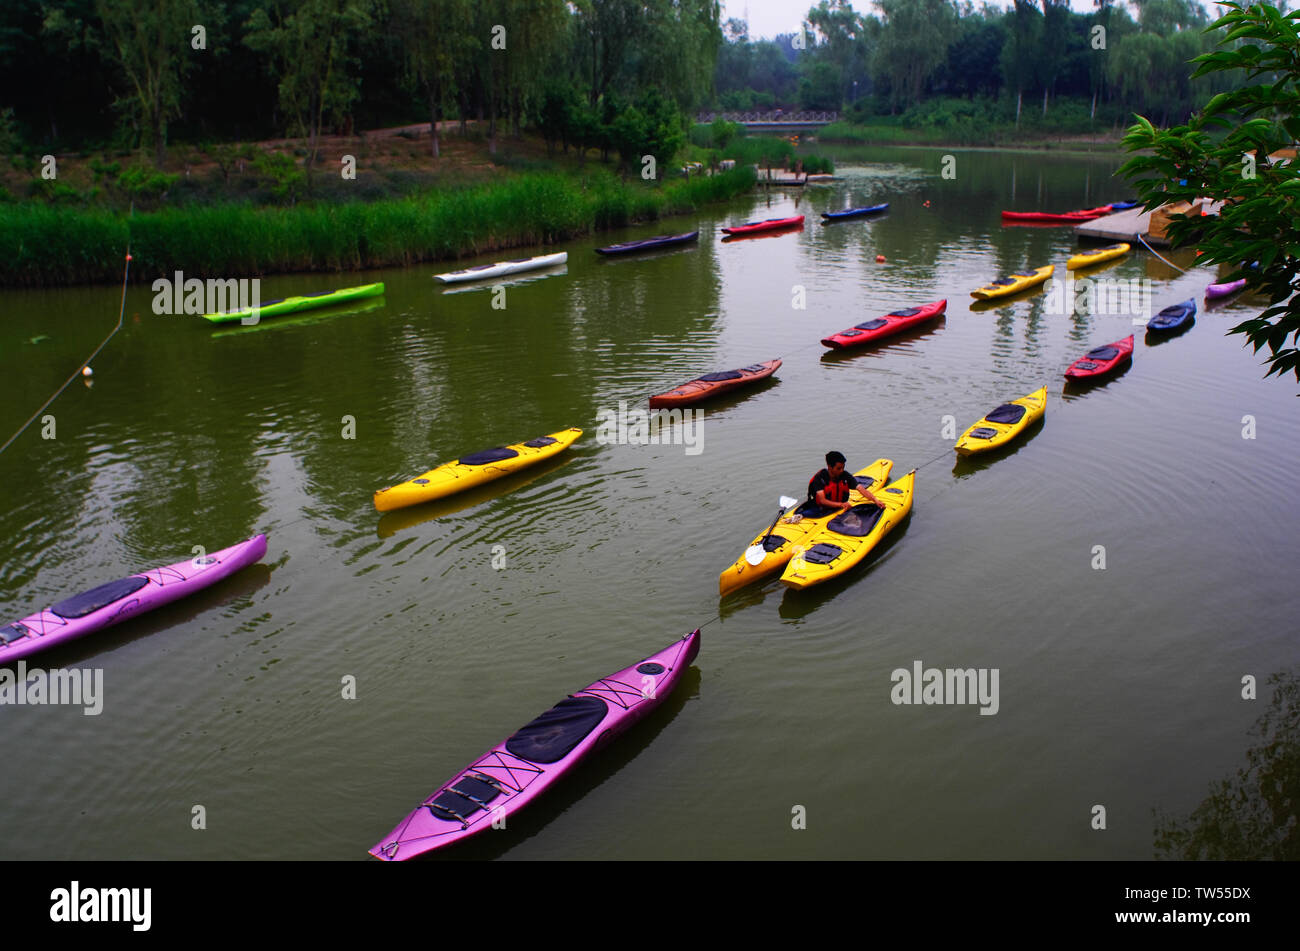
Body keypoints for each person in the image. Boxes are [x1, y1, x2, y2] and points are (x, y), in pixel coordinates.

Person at [807, 451, 883, 514]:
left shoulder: (845, 475)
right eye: (838, 468)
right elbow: (822, 501)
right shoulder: (820, 478)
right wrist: (841, 504)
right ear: (829, 467)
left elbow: (861, 489)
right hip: (822, 509)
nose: (842, 470)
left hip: (840, 508)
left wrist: (875, 500)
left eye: (843, 467)